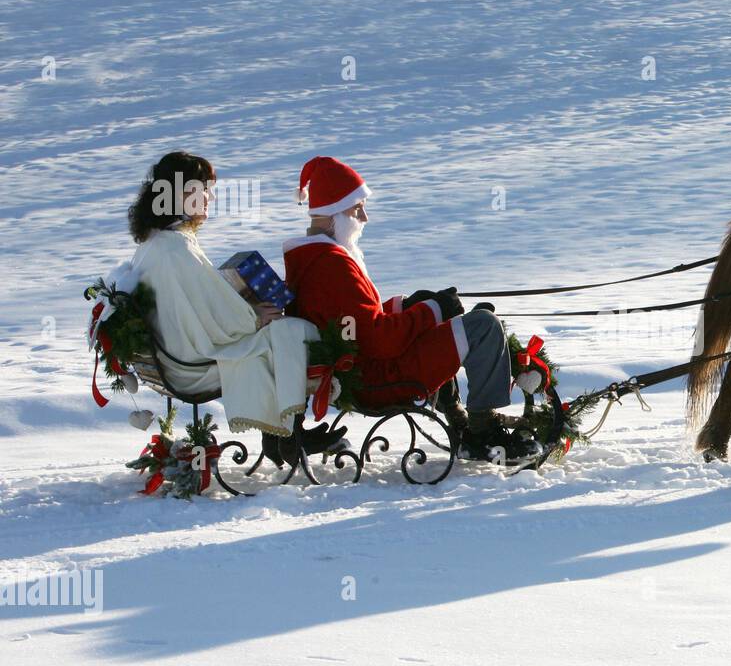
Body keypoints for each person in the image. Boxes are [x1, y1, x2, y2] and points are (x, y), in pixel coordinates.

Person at [283, 156, 539, 462]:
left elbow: (358, 320)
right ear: (331, 214)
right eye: (356, 208)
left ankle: (459, 419)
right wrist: (432, 309)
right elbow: (378, 339)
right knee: (482, 325)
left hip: (358, 370)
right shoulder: (333, 266)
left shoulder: (315, 261)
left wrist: (406, 305)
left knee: (455, 323)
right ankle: (483, 433)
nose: (364, 218)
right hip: (376, 378)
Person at [124, 151, 343, 463]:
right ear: (184, 193)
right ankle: (289, 435)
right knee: (294, 331)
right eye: (205, 189)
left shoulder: (155, 242)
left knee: (280, 333)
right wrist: (255, 317)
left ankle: (283, 433)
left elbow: (197, 304)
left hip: (173, 357)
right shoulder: (177, 246)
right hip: (192, 365)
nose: (211, 197)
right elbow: (215, 317)